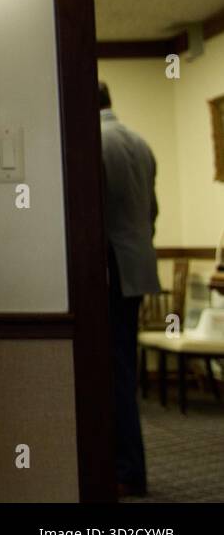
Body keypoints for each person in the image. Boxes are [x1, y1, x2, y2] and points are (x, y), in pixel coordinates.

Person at [98, 81, 160, 498]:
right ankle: (127, 464)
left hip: (111, 267)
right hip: (139, 265)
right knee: (123, 367)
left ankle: (127, 469)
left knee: (114, 371)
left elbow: (93, 212)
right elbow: (152, 210)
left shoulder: (95, 142)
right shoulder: (140, 142)